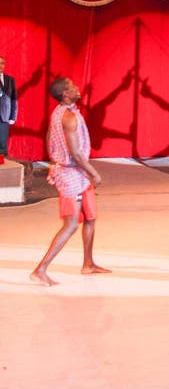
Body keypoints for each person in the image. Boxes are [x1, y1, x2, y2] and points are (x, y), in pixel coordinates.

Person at [30, 78, 110, 286]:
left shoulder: (60, 112)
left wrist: (54, 158)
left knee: (91, 217)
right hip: (72, 175)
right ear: (65, 94)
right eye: (73, 87)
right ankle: (40, 270)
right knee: (71, 224)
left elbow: (49, 136)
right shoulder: (67, 117)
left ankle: (88, 263)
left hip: (78, 174)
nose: (77, 89)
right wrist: (94, 173)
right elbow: (74, 153)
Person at [0, 55, 18, 164]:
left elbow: (14, 98)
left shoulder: (10, 80)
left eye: (2, 63)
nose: (0, 65)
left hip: (4, 116)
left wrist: (13, 116)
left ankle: (2, 164)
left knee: (2, 142)